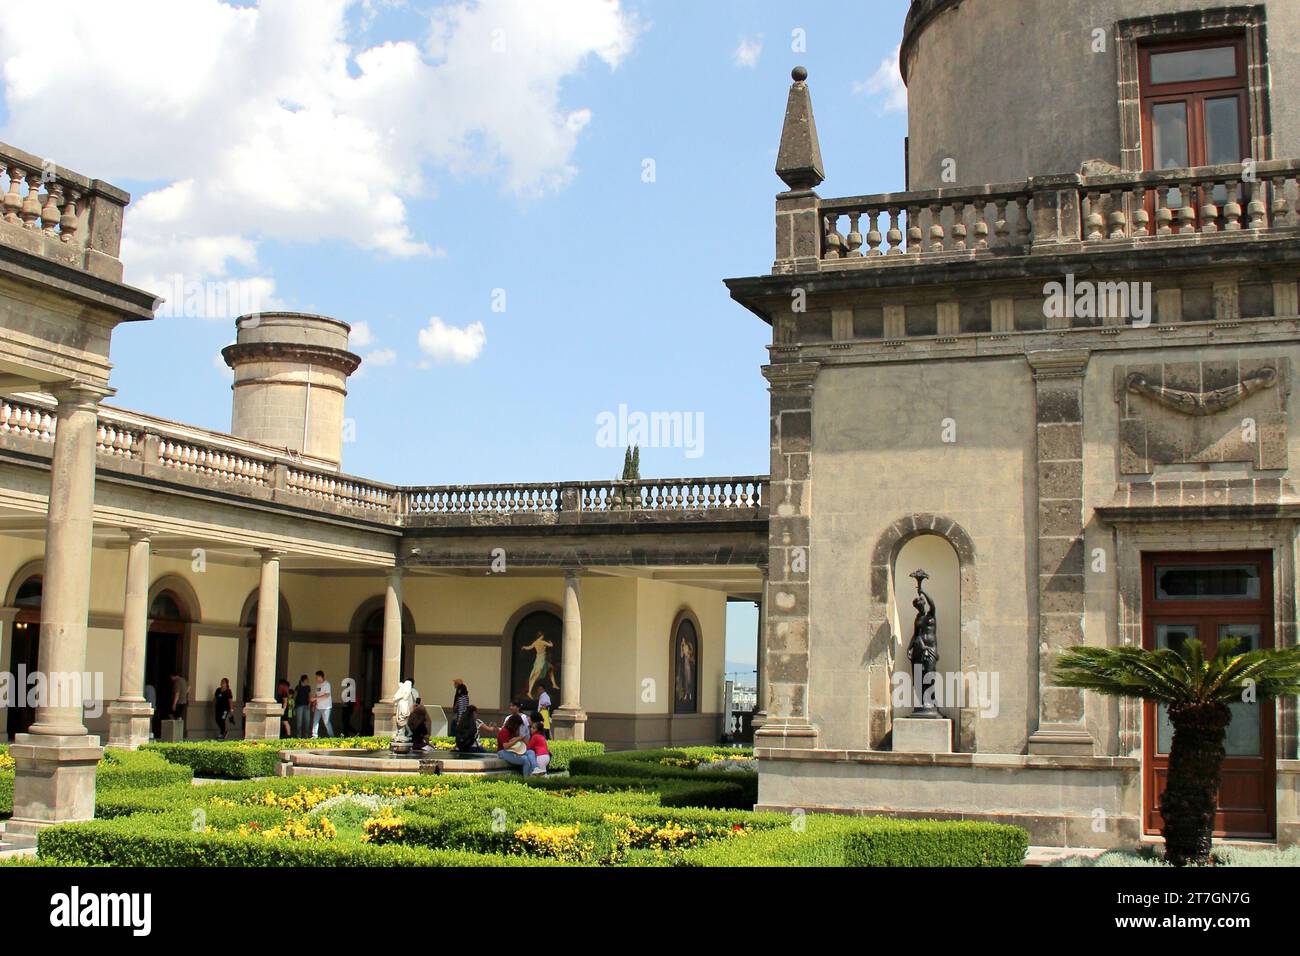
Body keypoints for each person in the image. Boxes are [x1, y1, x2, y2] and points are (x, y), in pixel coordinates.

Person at [311, 669, 334, 738]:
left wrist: (315, 698)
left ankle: (332, 737)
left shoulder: (327, 684)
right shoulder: (318, 685)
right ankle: (314, 736)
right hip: (318, 707)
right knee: (315, 721)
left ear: (321, 676)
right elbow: (316, 695)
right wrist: (314, 704)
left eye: (317, 677)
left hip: (326, 707)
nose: (316, 679)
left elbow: (327, 695)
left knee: (327, 723)